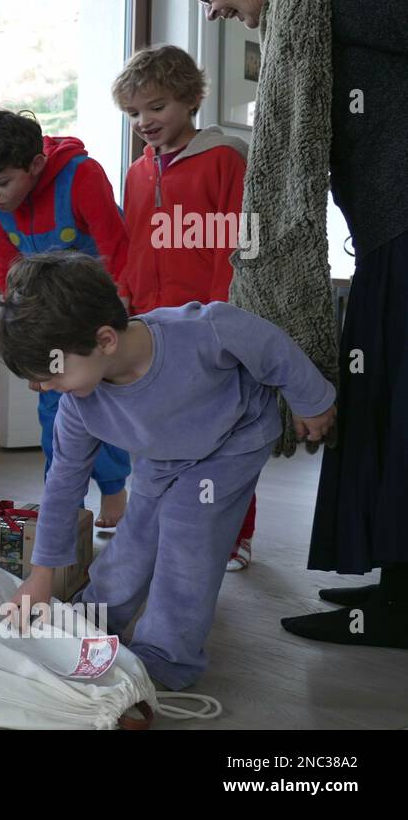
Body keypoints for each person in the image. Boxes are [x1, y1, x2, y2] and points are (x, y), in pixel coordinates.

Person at [0, 251, 335, 689]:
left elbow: (272, 349)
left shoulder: (200, 331)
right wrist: (41, 578)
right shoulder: (77, 406)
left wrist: (313, 402)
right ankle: (94, 618)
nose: (41, 387)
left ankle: (165, 656)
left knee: (187, 534)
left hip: (232, 442)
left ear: (105, 340)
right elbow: (63, 484)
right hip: (164, 453)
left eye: (51, 374)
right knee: (137, 534)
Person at [205, 0, 408, 648]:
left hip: (402, 228)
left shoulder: (336, 4)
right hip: (385, 233)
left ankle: (400, 604)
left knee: (398, 409)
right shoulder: (311, 15)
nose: (212, 11)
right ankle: (395, 583)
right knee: (383, 404)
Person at [111, 44, 258, 571]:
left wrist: (221, 315)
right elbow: (133, 242)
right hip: (149, 324)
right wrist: (124, 294)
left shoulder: (224, 159)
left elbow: (235, 245)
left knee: (221, 433)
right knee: (154, 432)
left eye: (156, 107)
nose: (144, 121)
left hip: (207, 323)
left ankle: (235, 535)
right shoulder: (137, 171)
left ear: (190, 99)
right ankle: (158, 530)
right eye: (133, 113)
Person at [0, 109, 131, 528]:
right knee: (53, 411)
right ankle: (64, 501)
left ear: (35, 165)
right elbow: (7, 261)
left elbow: (117, 245)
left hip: (95, 314)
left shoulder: (82, 175)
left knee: (104, 405)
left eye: (3, 182)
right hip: (45, 317)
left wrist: (122, 311)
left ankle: (114, 492)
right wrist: (15, 315)